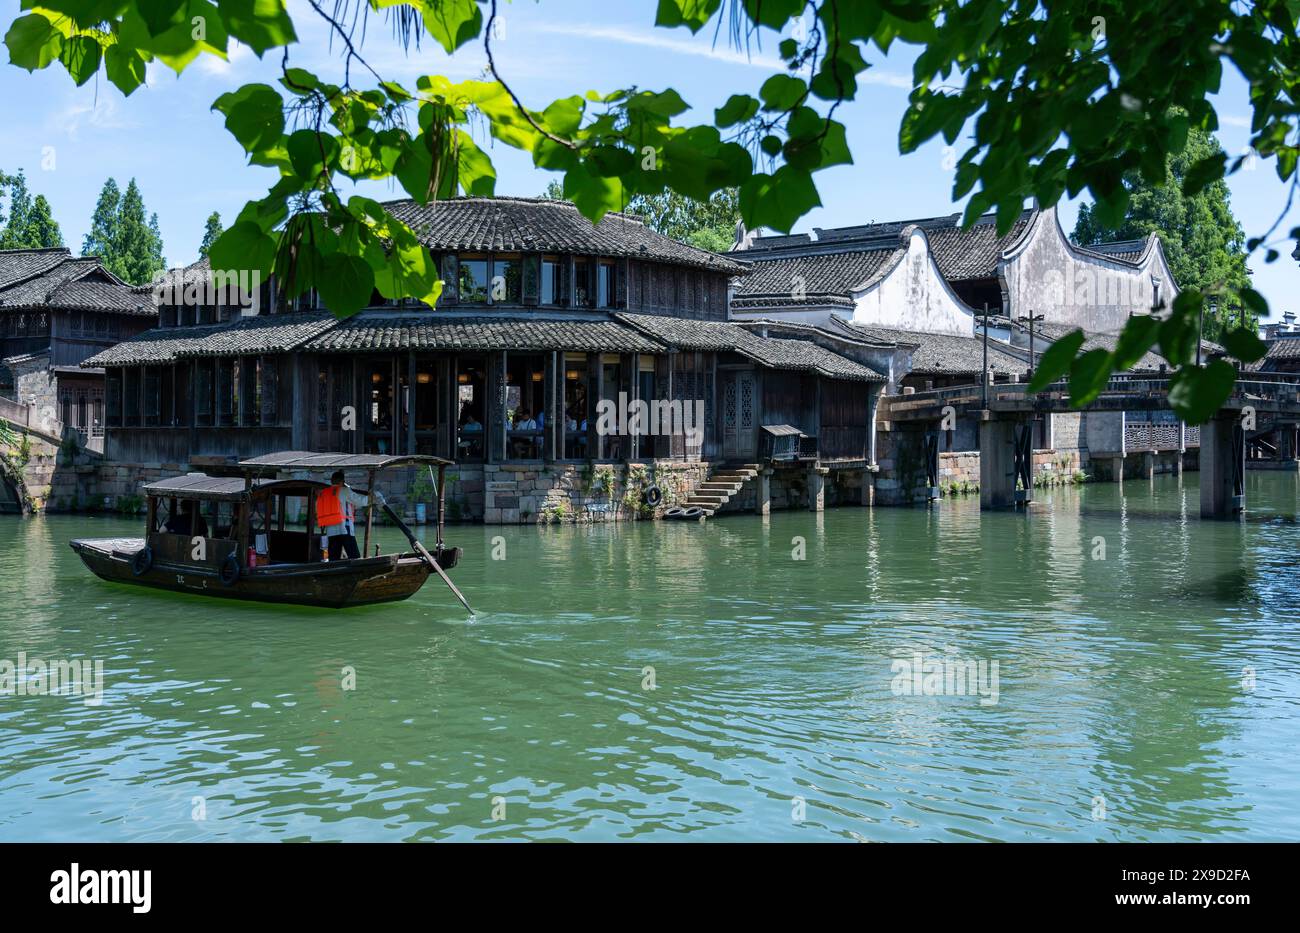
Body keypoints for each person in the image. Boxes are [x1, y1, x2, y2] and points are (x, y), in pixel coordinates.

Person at [316, 470, 381, 561]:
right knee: (354, 556)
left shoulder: (323, 493)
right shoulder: (344, 491)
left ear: (331, 481)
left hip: (330, 529)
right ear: (342, 482)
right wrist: (374, 498)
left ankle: (334, 572)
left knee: (333, 558)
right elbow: (360, 501)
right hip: (345, 528)